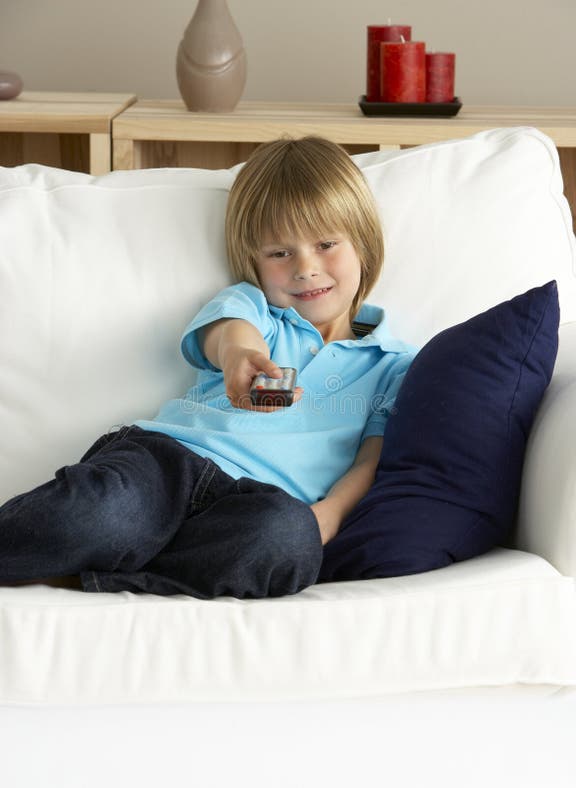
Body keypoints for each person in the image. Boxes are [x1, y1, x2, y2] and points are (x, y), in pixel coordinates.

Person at [0, 136, 416, 598]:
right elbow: (230, 334)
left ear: (363, 242)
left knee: (287, 540)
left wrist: (329, 515)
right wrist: (241, 358)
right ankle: (95, 554)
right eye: (280, 252)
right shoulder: (256, 308)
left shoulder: (396, 365)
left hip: (259, 506)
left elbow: (370, 461)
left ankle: (97, 572)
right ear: (254, 262)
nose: (305, 268)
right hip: (166, 466)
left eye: (325, 243)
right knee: (97, 515)